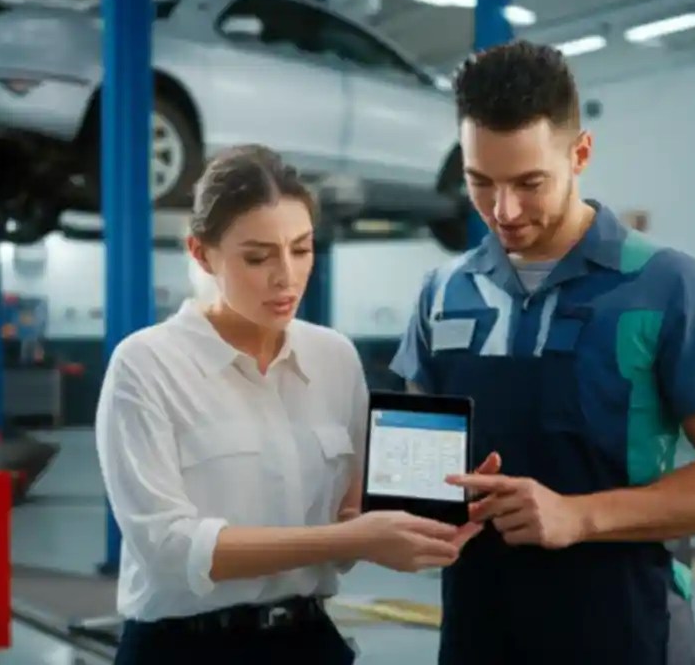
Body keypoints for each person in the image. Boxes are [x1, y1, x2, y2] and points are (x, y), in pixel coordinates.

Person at [391, 41, 695, 665]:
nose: (503, 211)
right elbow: (416, 468)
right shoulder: (443, 292)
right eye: (479, 182)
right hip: (477, 629)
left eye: (529, 183)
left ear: (581, 154)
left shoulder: (667, 284)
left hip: (625, 622)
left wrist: (578, 516)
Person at [95, 144, 474, 665]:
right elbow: (168, 550)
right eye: (258, 256)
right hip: (184, 650)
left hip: (308, 642)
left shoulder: (334, 358)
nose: (287, 276)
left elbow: (352, 513)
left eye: (301, 249)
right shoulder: (147, 365)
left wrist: (423, 517)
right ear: (202, 253)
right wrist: (345, 537)